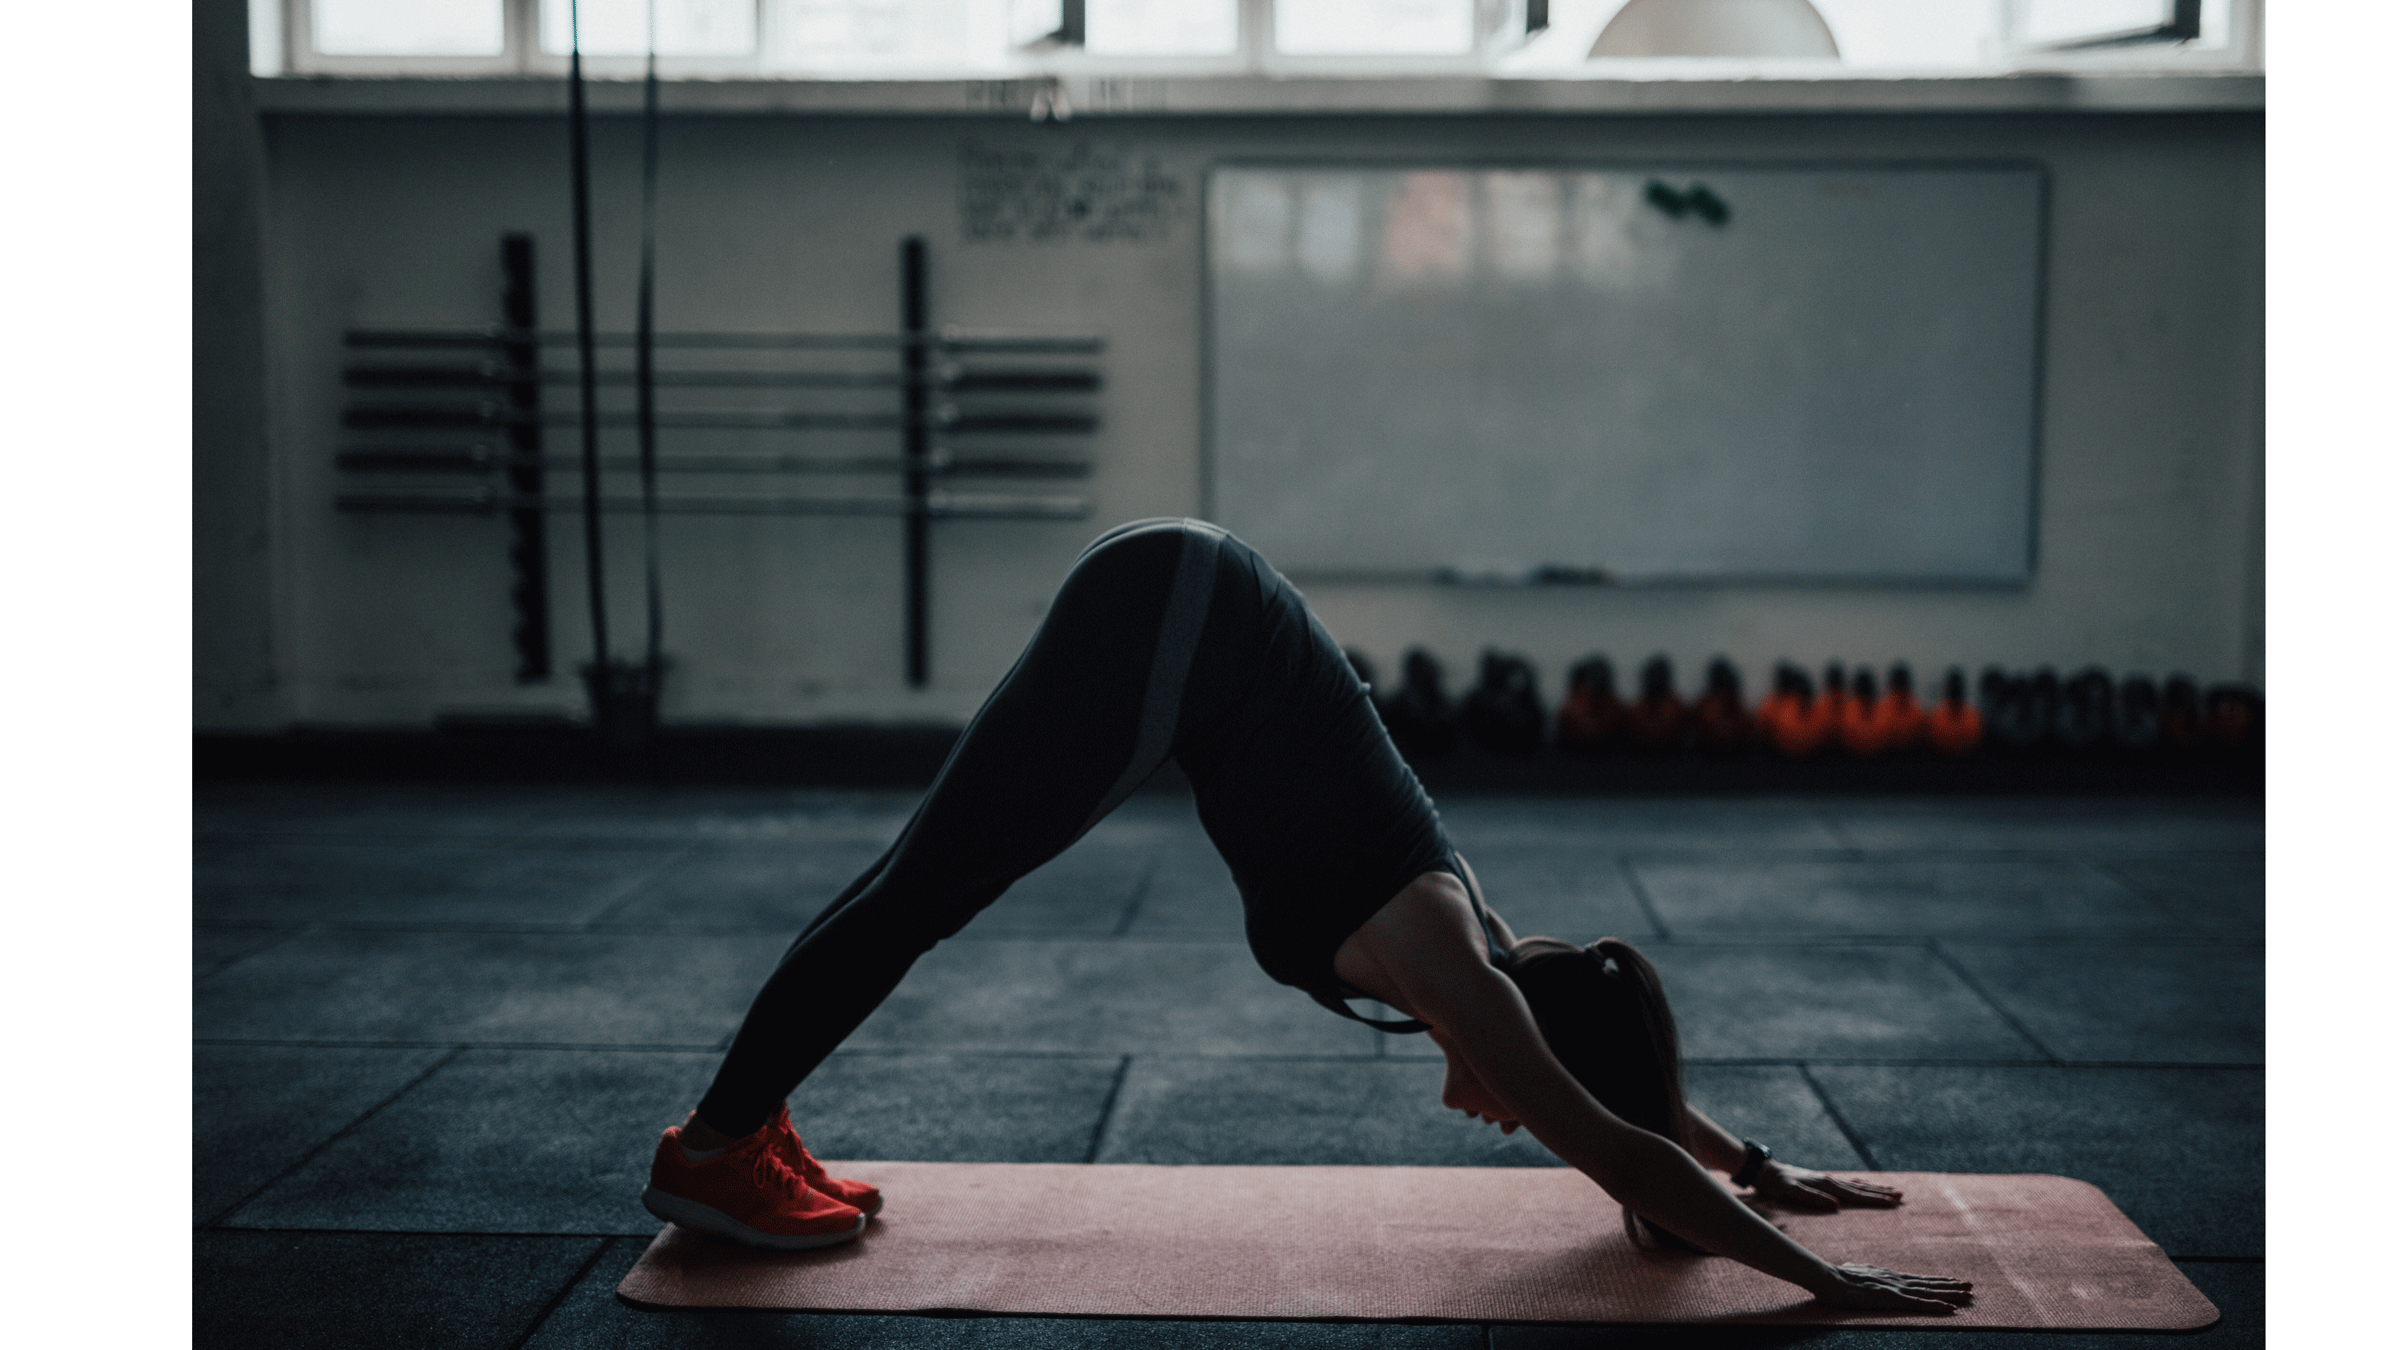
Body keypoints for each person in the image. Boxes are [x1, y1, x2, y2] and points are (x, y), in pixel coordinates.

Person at [642, 519, 1973, 1315]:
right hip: (1174, 625)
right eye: (1528, 1104)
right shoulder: (1465, 972)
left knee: (915, 885)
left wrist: (1757, 1157)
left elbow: (1629, 1096)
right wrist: (1819, 1276)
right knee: (923, 895)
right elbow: (1624, 1148)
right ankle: (716, 1146)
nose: (1505, 1118)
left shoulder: (1489, 947)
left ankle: (744, 1122)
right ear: (1536, 1051)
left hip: (1187, 599)